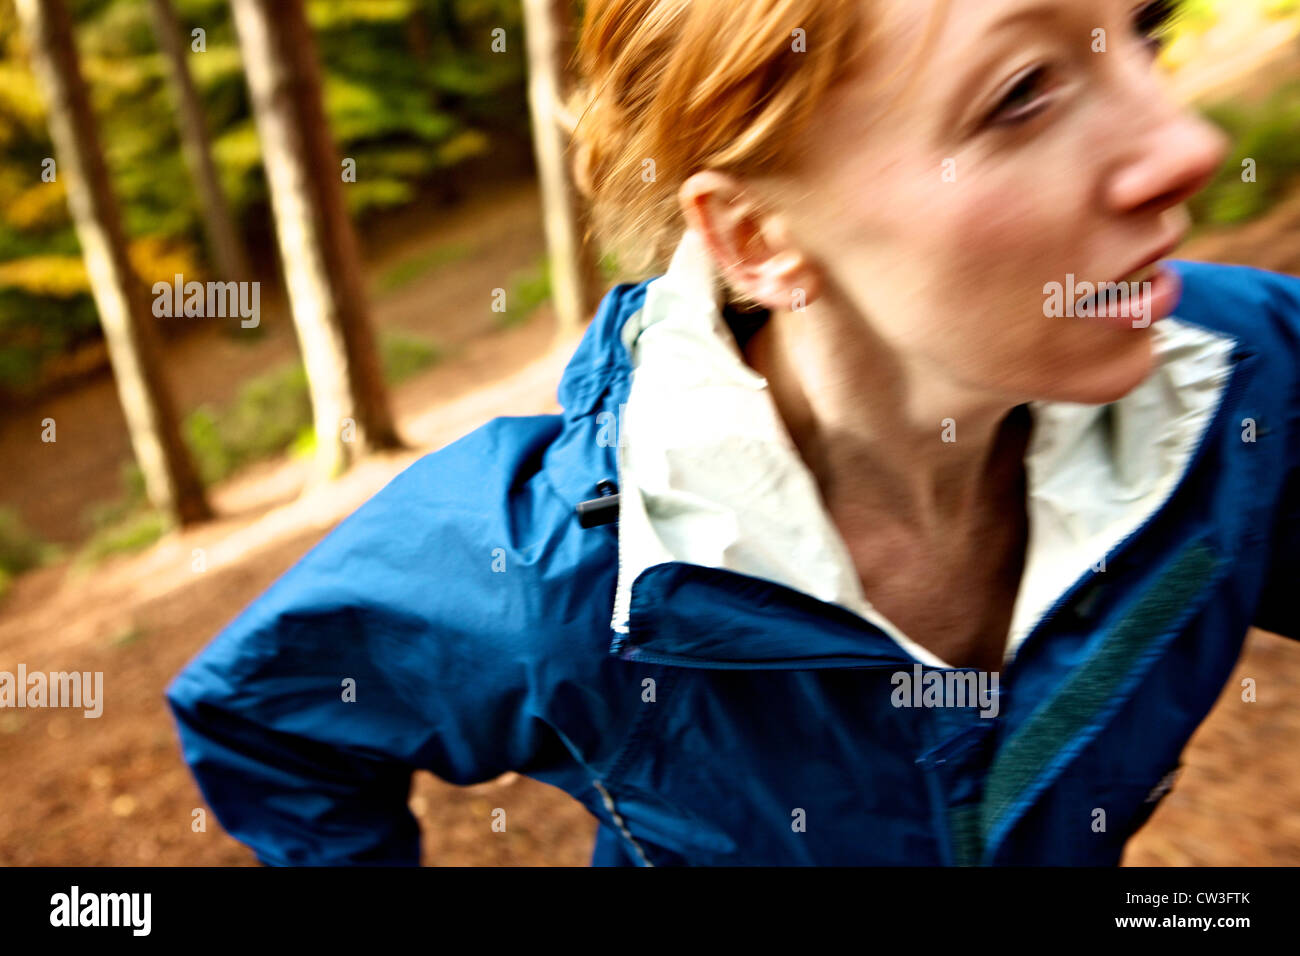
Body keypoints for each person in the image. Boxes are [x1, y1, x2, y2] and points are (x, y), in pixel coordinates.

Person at [166, 0, 1300, 865]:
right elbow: (266, 714)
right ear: (755, 236)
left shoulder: (1246, 375)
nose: (1184, 144)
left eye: (1137, 31)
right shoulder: (561, 575)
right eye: (1018, 94)